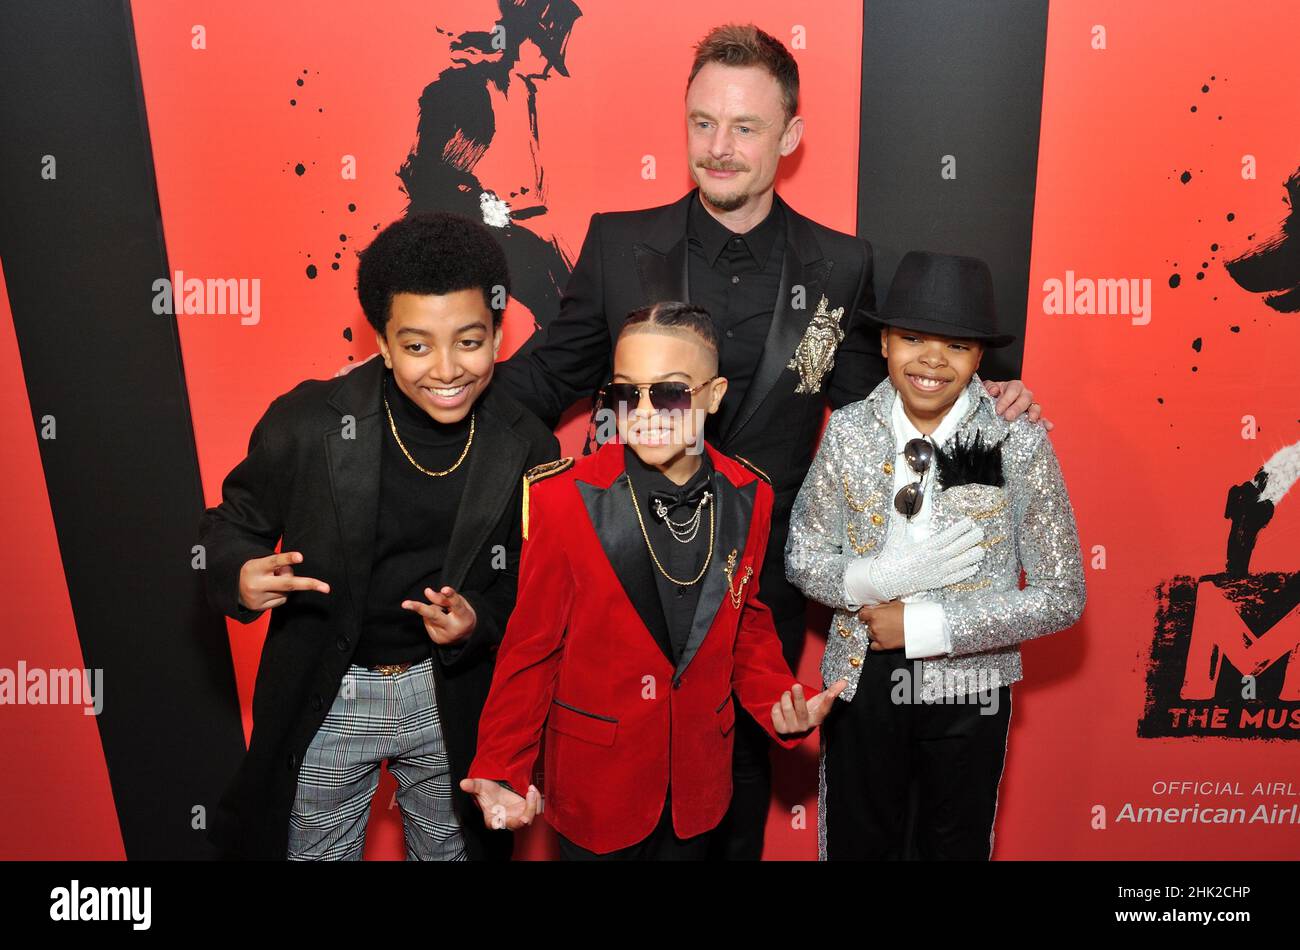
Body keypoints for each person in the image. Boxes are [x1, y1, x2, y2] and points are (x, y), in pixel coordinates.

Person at [490, 22, 1047, 858]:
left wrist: (980, 399)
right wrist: (445, 401)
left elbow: (883, 407)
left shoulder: (840, 263)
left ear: (789, 138)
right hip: (624, 582)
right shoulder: (617, 242)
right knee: (621, 779)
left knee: (737, 787)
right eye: (702, 123)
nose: (718, 148)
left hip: (762, 581)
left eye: (745, 127)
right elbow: (540, 382)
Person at [198, 212, 559, 860]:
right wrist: (242, 573)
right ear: (385, 345)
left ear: (499, 334)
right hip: (330, 689)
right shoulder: (308, 423)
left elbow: (537, 590)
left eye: (469, 341)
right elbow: (229, 527)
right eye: (417, 346)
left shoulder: (526, 442)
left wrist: (478, 617)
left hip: (447, 692)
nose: (447, 368)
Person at [461, 302, 846, 858]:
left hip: (700, 788)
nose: (644, 411)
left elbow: (746, 624)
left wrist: (776, 699)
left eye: (669, 391)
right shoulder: (563, 498)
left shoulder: (750, 496)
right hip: (596, 785)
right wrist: (501, 763)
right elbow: (532, 647)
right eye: (626, 392)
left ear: (714, 395)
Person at [785, 250, 1086, 860]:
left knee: (953, 847)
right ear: (886, 344)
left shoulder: (1016, 440)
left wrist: (925, 626)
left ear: (979, 358)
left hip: (970, 685)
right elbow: (801, 555)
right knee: (856, 843)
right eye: (913, 338)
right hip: (861, 680)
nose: (931, 359)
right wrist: (876, 580)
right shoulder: (848, 430)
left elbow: (1062, 594)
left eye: (956, 345)